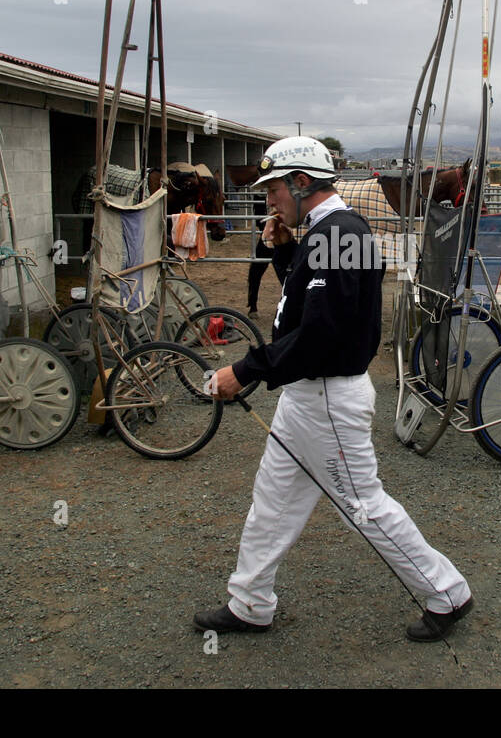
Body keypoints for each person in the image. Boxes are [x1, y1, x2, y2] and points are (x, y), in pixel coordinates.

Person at [198, 136, 474, 642]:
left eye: (274, 189)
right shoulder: (328, 232)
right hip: (310, 394)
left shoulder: (339, 233)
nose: (269, 201)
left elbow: (322, 334)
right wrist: (285, 256)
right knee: (274, 499)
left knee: (363, 505)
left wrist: (247, 369)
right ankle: (250, 602)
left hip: (325, 394)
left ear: (302, 184)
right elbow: (307, 308)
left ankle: (447, 592)